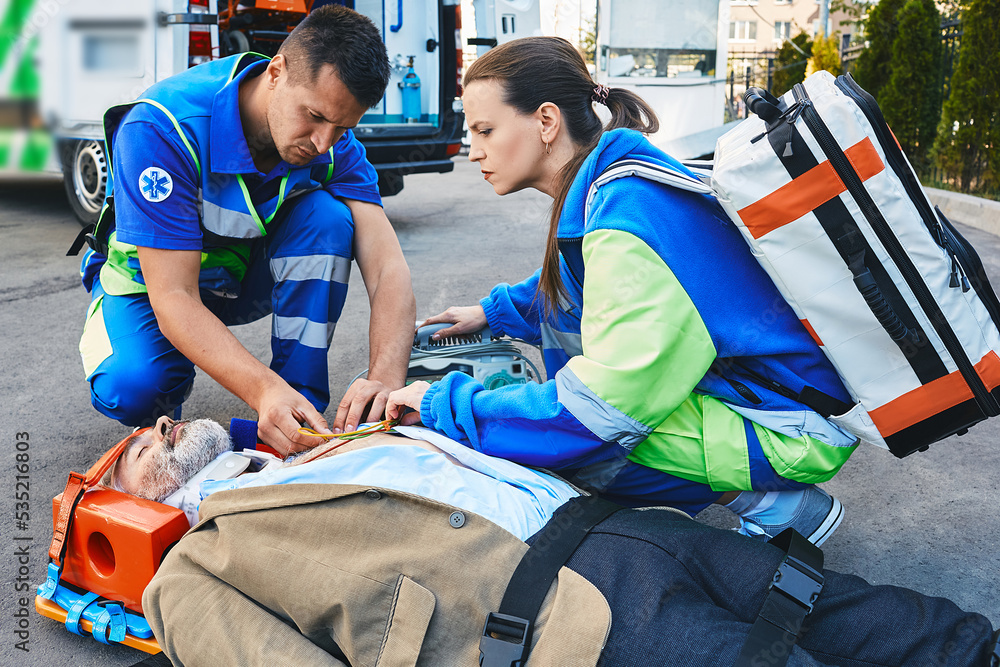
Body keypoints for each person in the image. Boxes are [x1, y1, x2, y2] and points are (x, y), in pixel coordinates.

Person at [385, 36, 861, 545]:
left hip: (790, 429)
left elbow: (595, 413)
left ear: (546, 122)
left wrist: (445, 406)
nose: (473, 149)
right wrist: (494, 311)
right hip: (772, 396)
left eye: (485, 130)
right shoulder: (613, 184)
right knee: (552, 411)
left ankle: (777, 505)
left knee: (563, 442)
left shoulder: (625, 218)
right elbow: (589, 283)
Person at [98, 417, 1000, 666]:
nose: (165, 423)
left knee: (838, 605)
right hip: (555, 620)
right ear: (132, 506)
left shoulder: (317, 446)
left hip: (619, 530)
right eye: (141, 447)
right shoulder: (189, 567)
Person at [74, 5, 415, 456]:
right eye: (313, 115)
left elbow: (389, 267)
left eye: (342, 127)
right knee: (133, 383)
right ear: (277, 71)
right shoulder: (161, 129)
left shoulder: (332, 142)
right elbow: (174, 297)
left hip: (235, 279)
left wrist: (386, 381)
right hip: (153, 288)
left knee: (328, 218)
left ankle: (298, 416)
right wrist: (260, 389)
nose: (322, 143)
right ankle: (181, 402)